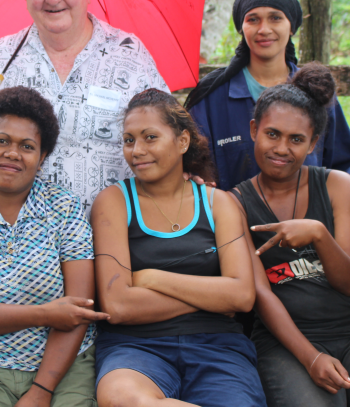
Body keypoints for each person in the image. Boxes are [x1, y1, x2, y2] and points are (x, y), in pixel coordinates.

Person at [229, 64, 350, 406]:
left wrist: (319, 234)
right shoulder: (235, 203)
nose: (281, 148)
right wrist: (311, 357)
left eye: (296, 139)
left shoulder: (337, 186)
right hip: (287, 339)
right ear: (254, 129)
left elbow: (349, 283)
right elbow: (261, 294)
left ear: (313, 142)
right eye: (272, 134)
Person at [0, 0, 169, 211]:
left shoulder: (129, 53)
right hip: (21, 232)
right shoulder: (3, 57)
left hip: (114, 227)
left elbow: (166, 136)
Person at [0, 86, 108, 407]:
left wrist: (42, 389)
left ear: (42, 158)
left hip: (63, 366)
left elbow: (77, 311)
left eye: (27, 146)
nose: (13, 153)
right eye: (2, 141)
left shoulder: (64, 208)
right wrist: (44, 313)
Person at [91, 89, 267, 407]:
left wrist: (151, 278)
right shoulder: (114, 202)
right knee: (121, 399)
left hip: (218, 347)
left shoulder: (218, 203)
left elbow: (242, 296)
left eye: (150, 137)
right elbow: (117, 306)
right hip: (134, 347)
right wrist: (212, 297)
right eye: (129, 140)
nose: (137, 150)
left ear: (182, 141)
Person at [185, 0, 350, 191]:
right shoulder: (211, 98)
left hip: (305, 212)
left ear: (291, 26)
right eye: (253, 19)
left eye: (275, 18)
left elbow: (342, 166)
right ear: (241, 28)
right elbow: (189, 166)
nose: (264, 29)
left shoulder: (316, 93)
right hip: (230, 213)